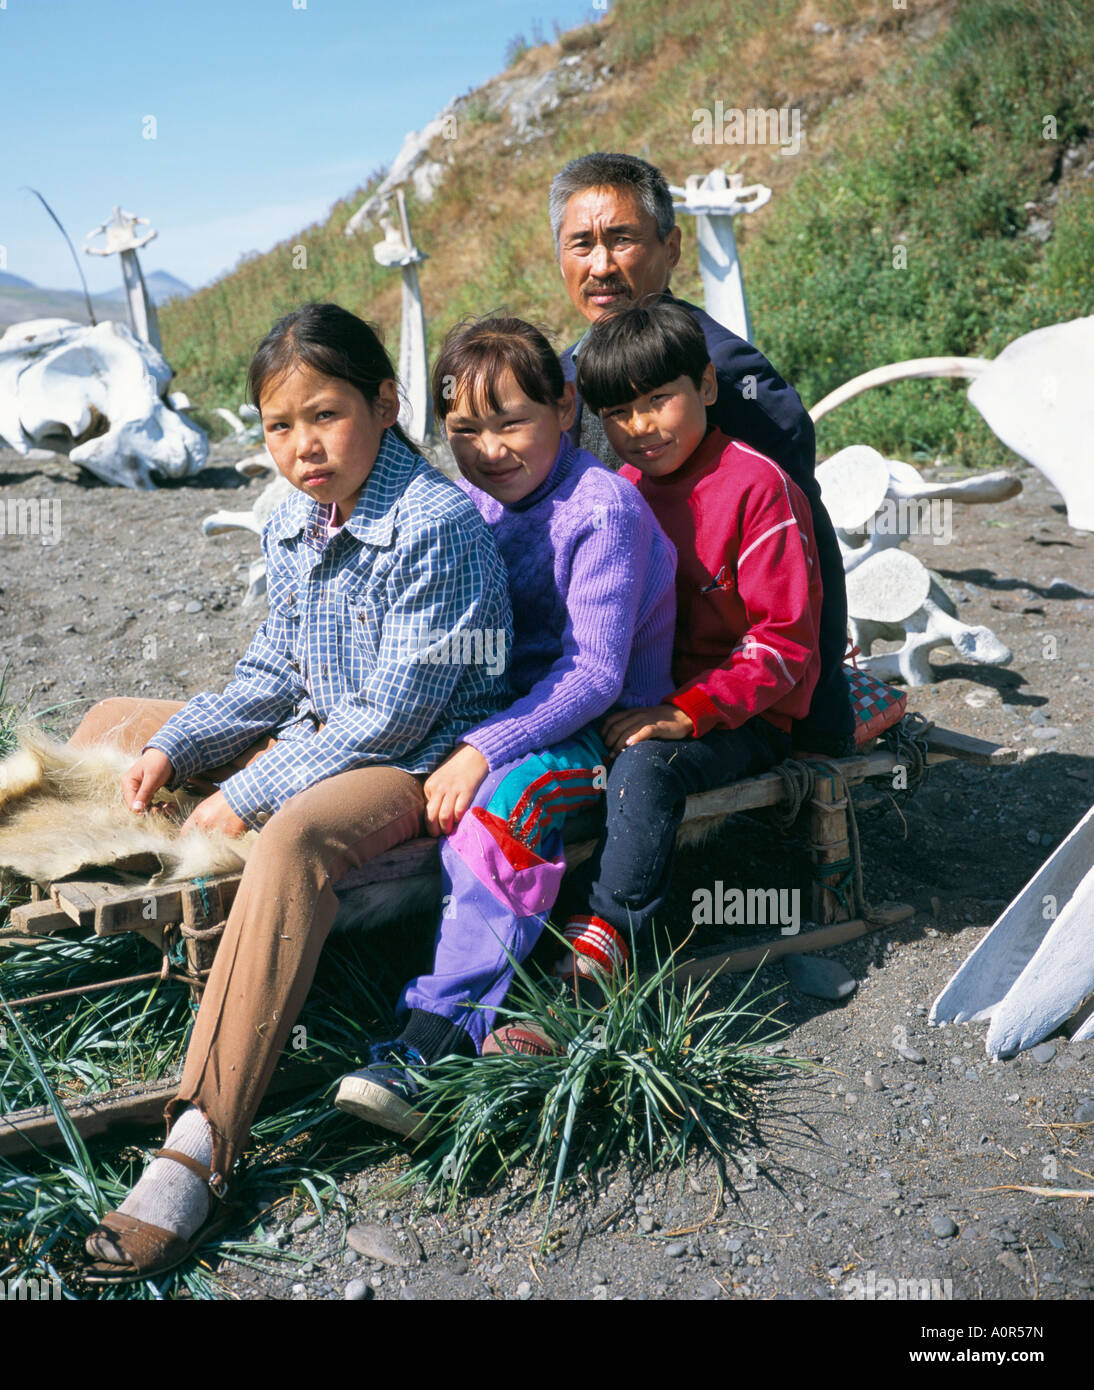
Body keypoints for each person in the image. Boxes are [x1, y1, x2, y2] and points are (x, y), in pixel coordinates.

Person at [72, 302, 512, 1282]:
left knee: (290, 838)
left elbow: (390, 716)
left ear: (385, 403)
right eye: (279, 425)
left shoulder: (433, 524)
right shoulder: (295, 519)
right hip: (322, 736)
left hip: (418, 767)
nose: (302, 445)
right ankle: (107, 908)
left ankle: (201, 1139)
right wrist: (180, 746)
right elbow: (270, 671)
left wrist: (251, 787)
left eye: (324, 414)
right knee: (115, 723)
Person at [332, 314, 676, 1135]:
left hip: (594, 727)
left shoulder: (603, 510)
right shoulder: (473, 508)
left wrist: (483, 749)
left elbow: (593, 672)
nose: (489, 449)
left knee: (509, 808)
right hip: (493, 706)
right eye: (464, 431)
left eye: (511, 422)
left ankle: (436, 1037)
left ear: (564, 409)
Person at [499, 296, 822, 1036]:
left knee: (645, 771)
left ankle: (601, 949)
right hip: (644, 696)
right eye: (618, 412)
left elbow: (785, 645)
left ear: (707, 386)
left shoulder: (757, 487)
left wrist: (687, 713)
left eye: (658, 400)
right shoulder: (625, 495)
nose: (640, 428)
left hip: (745, 713)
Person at [548, 150, 853, 756]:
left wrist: (813, 713)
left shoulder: (727, 375)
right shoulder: (566, 373)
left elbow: (798, 542)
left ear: (672, 249)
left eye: (623, 240)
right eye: (581, 244)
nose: (601, 265)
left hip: (726, 687)